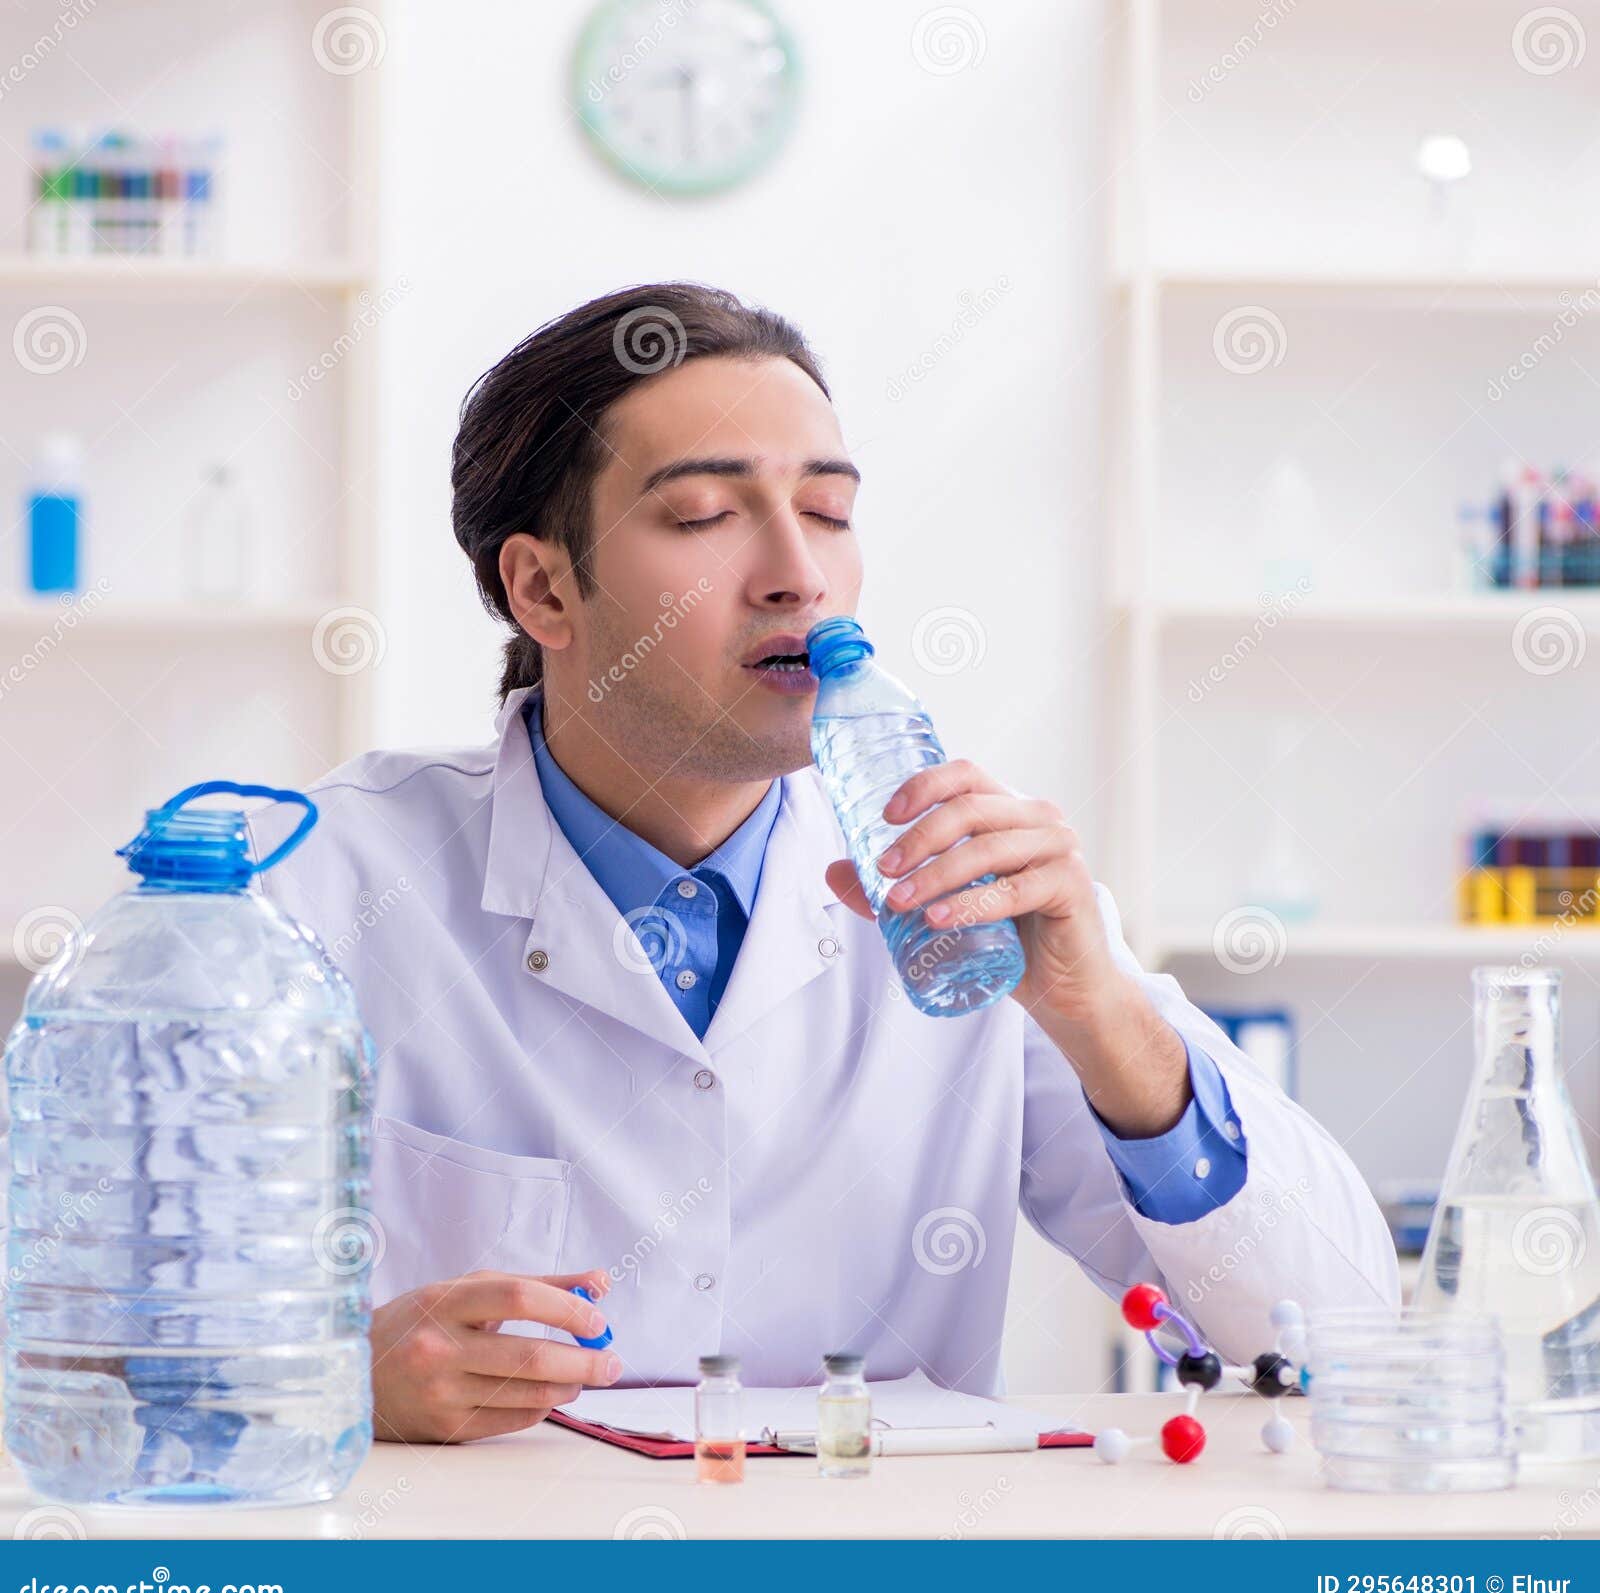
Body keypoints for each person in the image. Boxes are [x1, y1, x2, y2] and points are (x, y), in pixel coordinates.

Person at [249, 283, 1398, 1445]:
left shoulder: (973, 894)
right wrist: (332, 1380)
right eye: (704, 514)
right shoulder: (311, 892)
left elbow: (1332, 1334)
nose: (796, 572)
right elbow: (137, 1335)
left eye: (829, 510)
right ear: (543, 588)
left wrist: (1100, 1017)